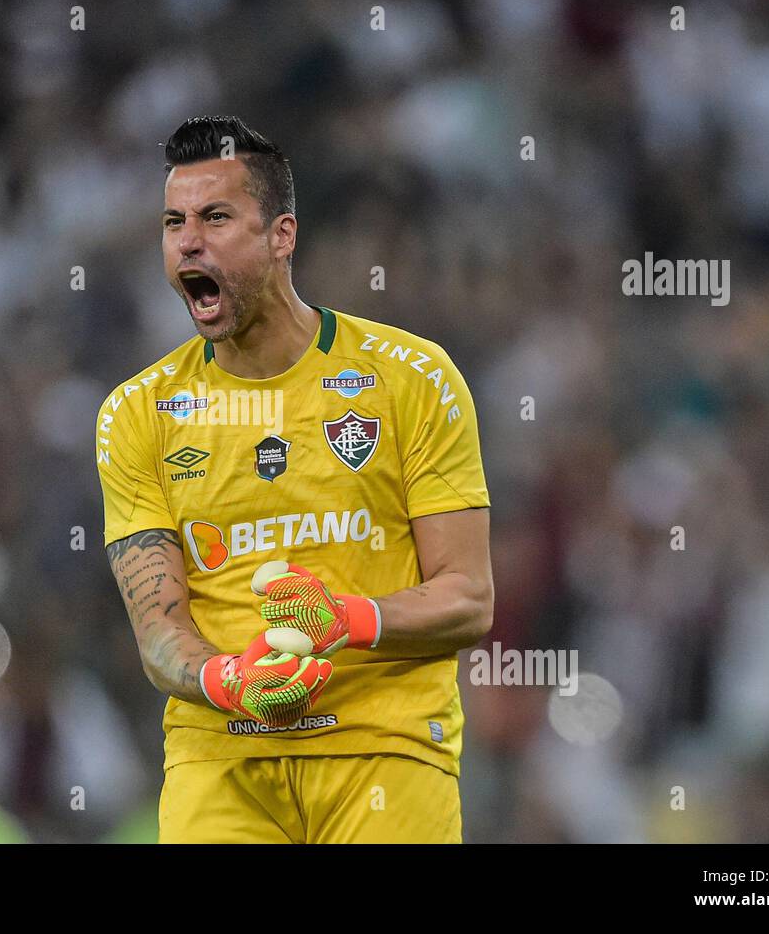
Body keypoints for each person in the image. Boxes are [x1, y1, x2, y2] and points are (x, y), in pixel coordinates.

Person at [96, 116, 493, 843]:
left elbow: (468, 599)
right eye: (174, 222)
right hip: (221, 756)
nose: (189, 240)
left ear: (283, 235)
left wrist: (346, 620)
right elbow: (158, 632)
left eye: (216, 217)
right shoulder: (136, 415)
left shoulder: (412, 379)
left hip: (383, 745)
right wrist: (230, 681)